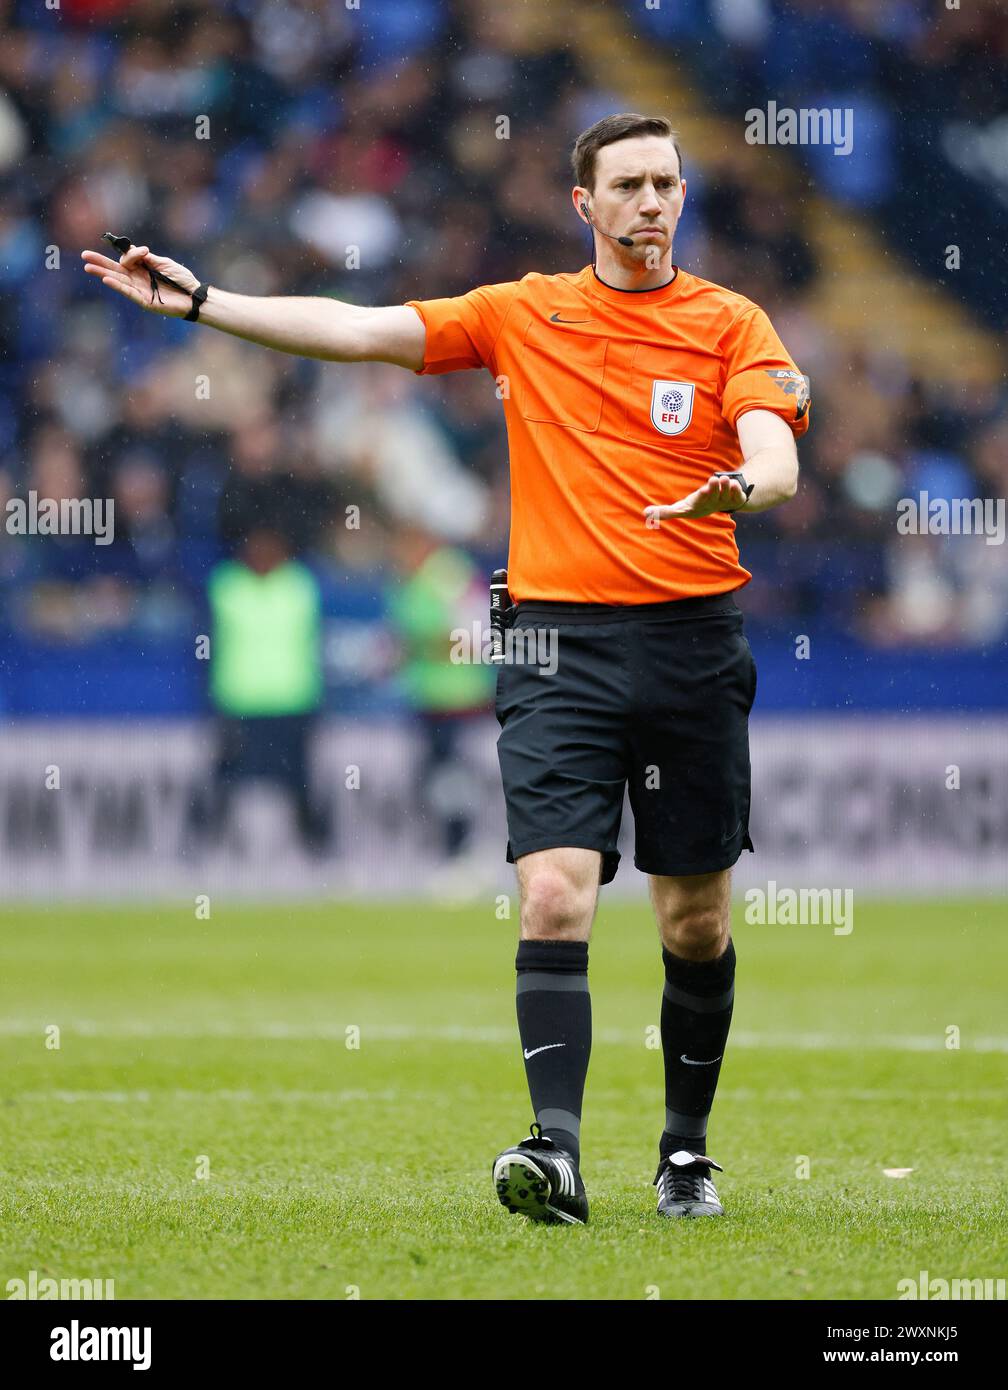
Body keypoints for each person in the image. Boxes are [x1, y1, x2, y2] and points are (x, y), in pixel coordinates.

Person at [83, 111, 811, 1226]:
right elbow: (360, 329)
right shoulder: (522, 312)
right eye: (629, 185)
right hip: (553, 643)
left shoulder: (729, 322)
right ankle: (555, 1154)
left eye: (667, 183)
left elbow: (776, 447)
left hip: (691, 642)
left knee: (694, 923)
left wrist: (741, 486)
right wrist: (204, 303)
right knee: (556, 890)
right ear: (586, 204)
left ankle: (684, 1152)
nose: (653, 204)